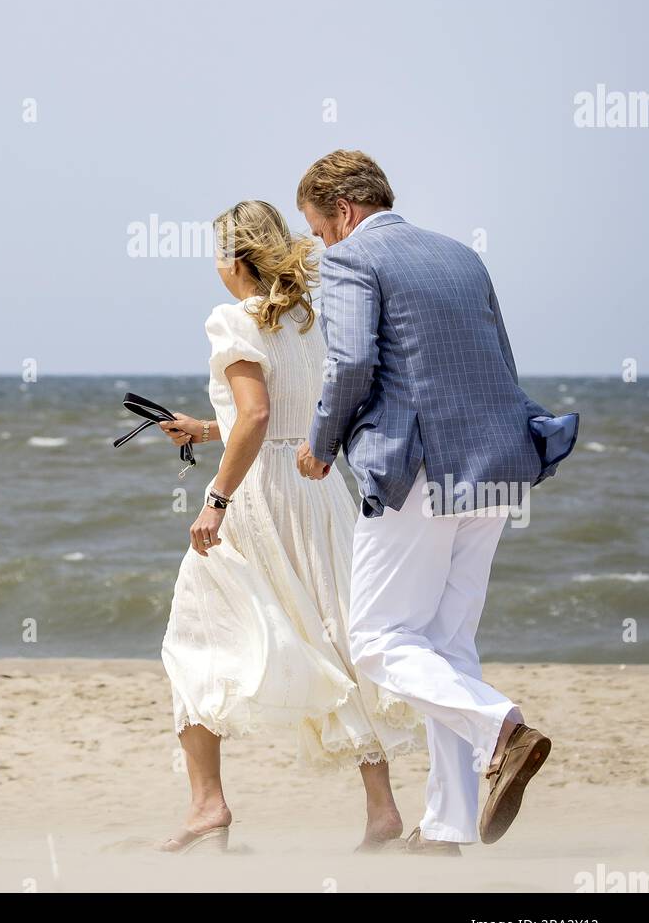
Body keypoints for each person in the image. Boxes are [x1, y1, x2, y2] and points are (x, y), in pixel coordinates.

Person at [295, 149, 578, 855]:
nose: (320, 244)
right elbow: (501, 363)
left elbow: (351, 363)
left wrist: (321, 443)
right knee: (448, 644)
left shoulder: (353, 259)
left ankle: (502, 728)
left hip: (415, 465)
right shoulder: (461, 257)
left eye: (318, 229)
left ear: (344, 212)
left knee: (378, 641)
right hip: (496, 464)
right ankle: (448, 826)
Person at [157, 200, 423, 855]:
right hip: (317, 490)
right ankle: (383, 811)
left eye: (218, 254)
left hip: (258, 499)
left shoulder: (231, 319)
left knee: (193, 640)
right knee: (334, 633)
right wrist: (206, 428)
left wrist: (215, 499)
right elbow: (287, 417)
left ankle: (207, 806)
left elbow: (255, 418)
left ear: (235, 259)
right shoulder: (307, 319)